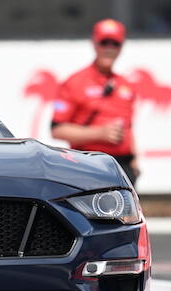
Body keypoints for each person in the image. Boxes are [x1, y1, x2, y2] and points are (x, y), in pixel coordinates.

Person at [50, 18, 139, 185]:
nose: (109, 48)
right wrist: (99, 134)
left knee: (128, 212)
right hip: (89, 166)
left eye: (115, 43)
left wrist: (135, 162)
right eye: (104, 42)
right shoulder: (74, 83)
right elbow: (57, 130)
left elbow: (129, 127)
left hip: (124, 167)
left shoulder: (125, 85)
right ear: (95, 43)